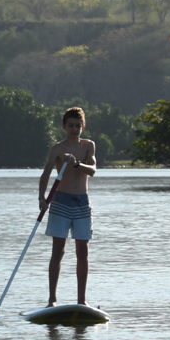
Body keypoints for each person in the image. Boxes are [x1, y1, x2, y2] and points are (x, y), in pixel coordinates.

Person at [39, 106, 99, 307]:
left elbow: (92, 170)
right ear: (64, 126)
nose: (74, 129)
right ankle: (52, 300)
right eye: (71, 125)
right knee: (58, 250)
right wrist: (42, 198)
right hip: (60, 201)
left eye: (78, 125)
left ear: (83, 126)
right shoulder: (57, 148)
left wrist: (76, 165)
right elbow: (45, 175)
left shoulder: (88, 146)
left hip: (81, 202)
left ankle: (81, 301)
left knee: (83, 251)